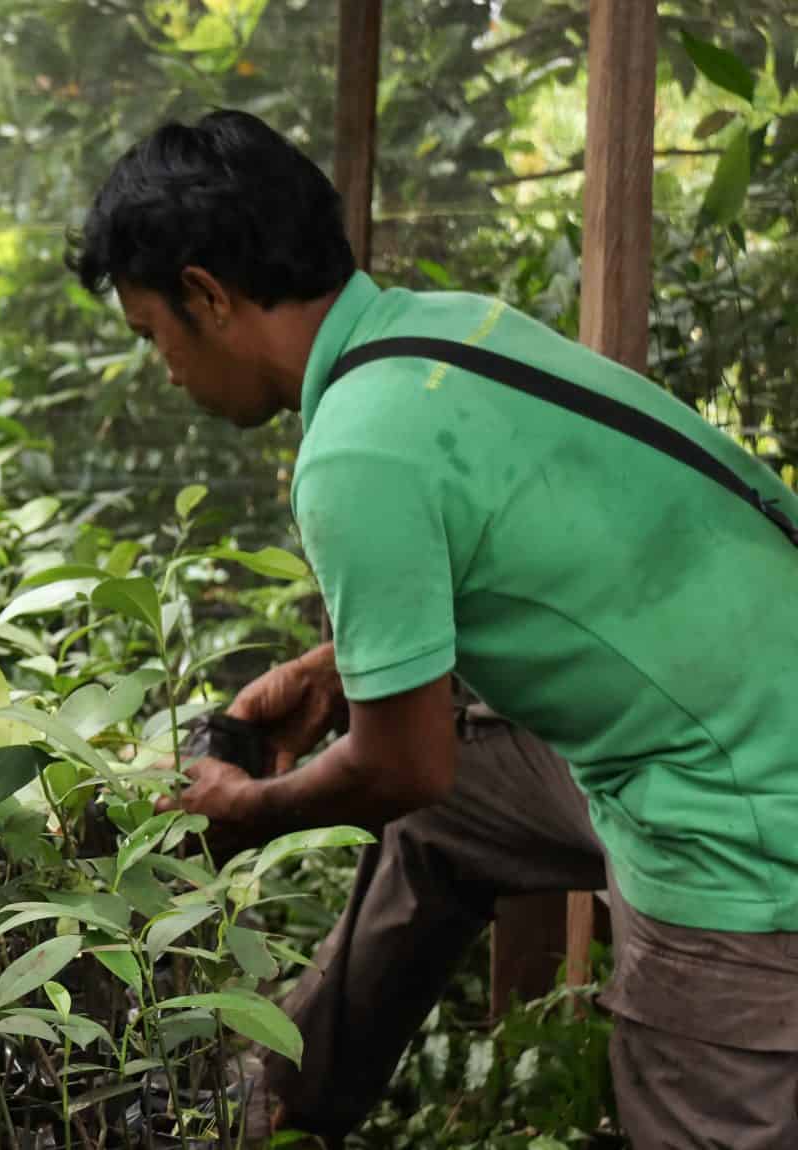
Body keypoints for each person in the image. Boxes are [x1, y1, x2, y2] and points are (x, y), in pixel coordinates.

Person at [69, 108, 798, 1147]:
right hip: (747, 713)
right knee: (447, 819)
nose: (166, 371)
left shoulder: (353, 455)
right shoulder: (442, 330)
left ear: (206, 296)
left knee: (693, 1114)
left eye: (153, 339)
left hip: (742, 816)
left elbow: (399, 765)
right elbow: (551, 553)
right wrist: (336, 670)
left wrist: (249, 808)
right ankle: (276, 1104)